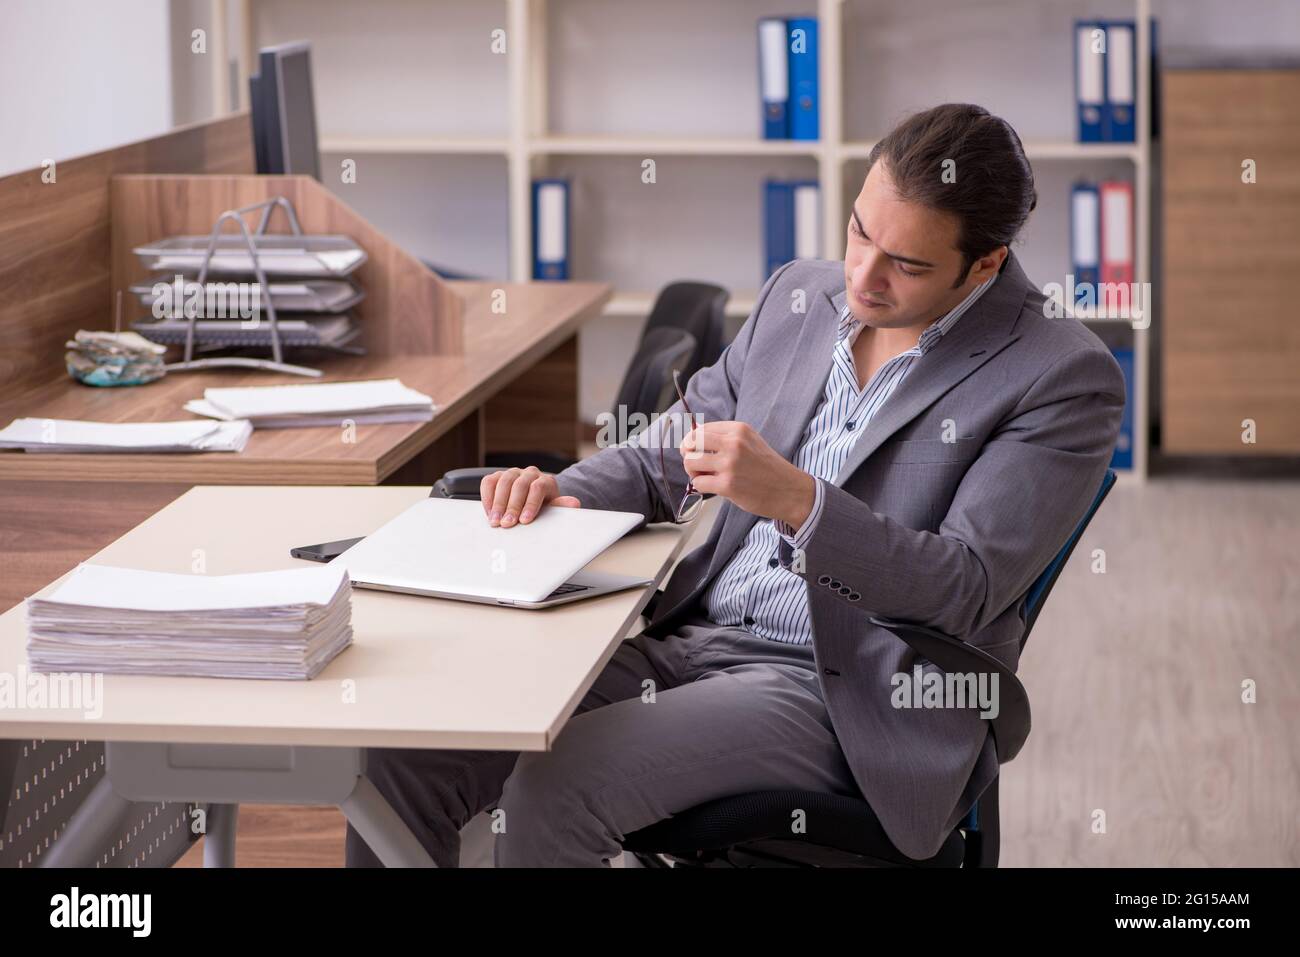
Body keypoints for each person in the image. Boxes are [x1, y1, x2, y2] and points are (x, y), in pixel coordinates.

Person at [346, 102, 1125, 867]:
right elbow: (665, 456)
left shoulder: (1060, 375)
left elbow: (963, 586)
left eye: (908, 265)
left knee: (557, 782)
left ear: (985, 262)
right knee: (405, 753)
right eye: (859, 232)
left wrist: (797, 499)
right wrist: (560, 491)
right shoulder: (800, 297)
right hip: (690, 638)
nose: (863, 276)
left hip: (846, 687)